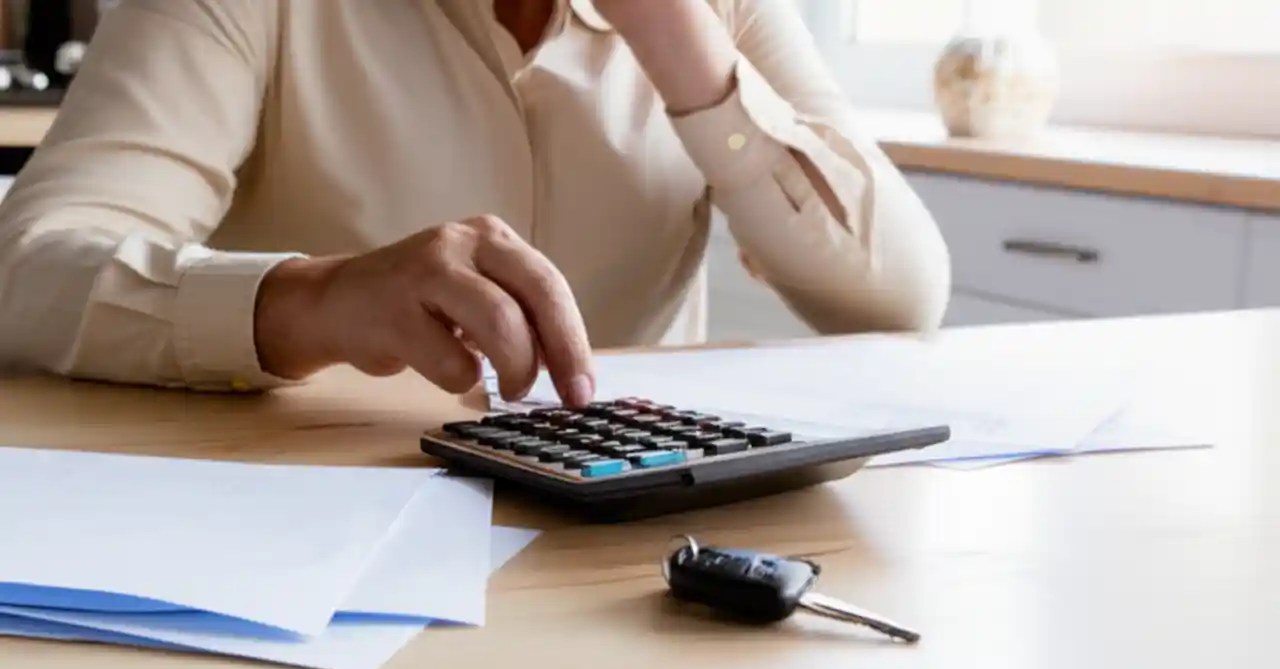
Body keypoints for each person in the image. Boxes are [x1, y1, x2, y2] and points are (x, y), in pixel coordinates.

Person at [0, 0, 950, 408]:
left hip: (635, 556)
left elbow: (897, 295)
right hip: (317, 540)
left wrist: (687, 51)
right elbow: (29, 271)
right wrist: (309, 301)